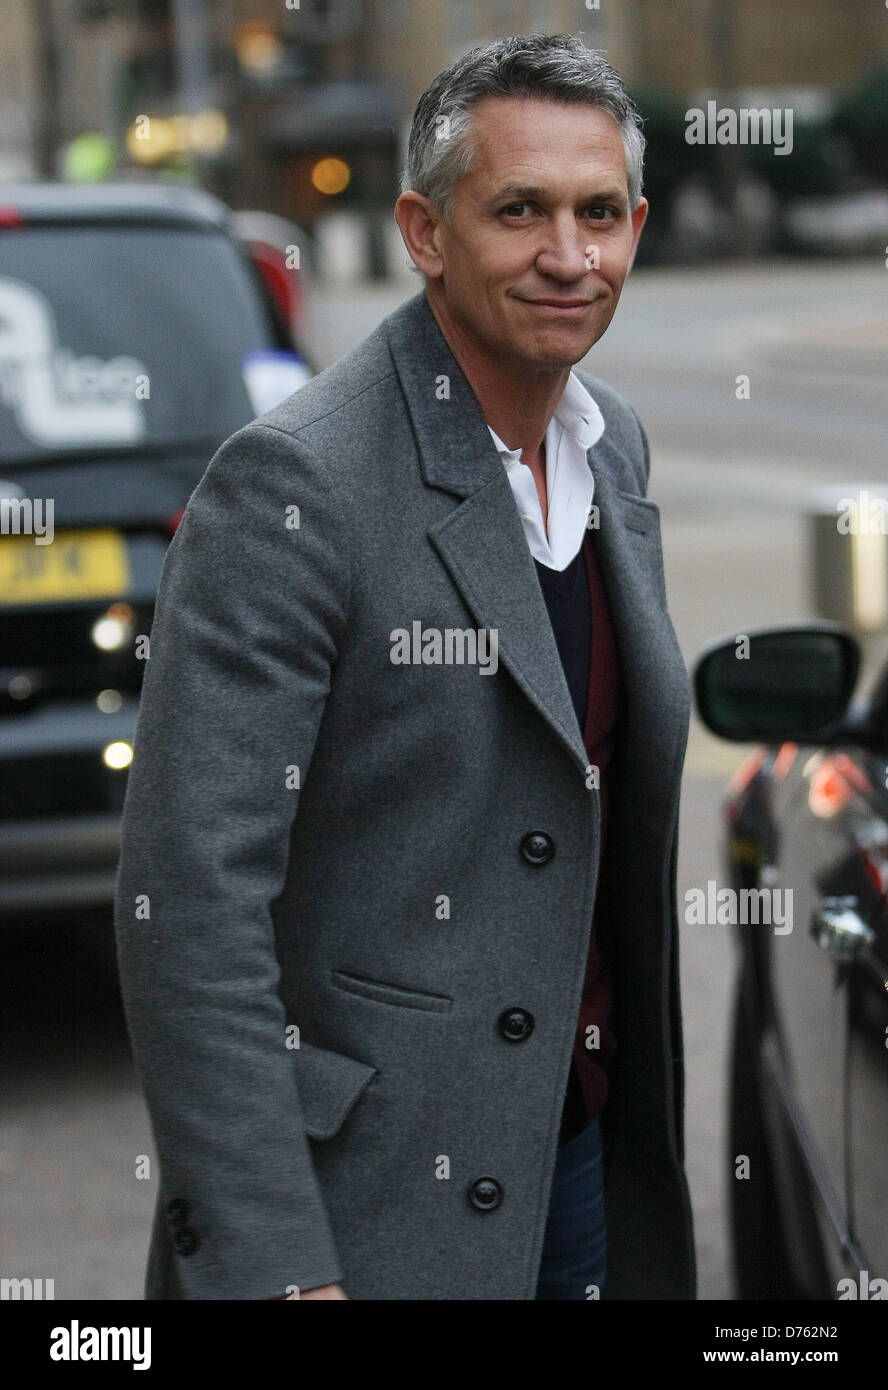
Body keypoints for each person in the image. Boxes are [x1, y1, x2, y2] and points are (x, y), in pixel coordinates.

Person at [114, 32, 695, 1301]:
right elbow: (190, 913)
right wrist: (275, 1267)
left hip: (577, 1160)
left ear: (638, 224)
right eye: (519, 211)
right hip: (371, 1210)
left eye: (600, 214)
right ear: (425, 232)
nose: (567, 256)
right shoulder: (296, 487)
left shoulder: (613, 449)